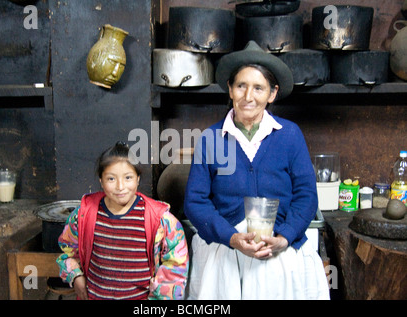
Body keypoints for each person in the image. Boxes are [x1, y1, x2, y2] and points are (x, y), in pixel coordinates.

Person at [184, 41, 329, 300]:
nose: (248, 96)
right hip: (226, 252)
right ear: (230, 89)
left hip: (280, 251)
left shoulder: (290, 135)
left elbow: (306, 196)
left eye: (259, 88)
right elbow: (195, 202)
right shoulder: (211, 139)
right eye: (241, 86)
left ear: (272, 94)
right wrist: (232, 238)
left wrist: (285, 237)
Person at [56, 141, 189, 300]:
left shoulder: (160, 220)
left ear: (138, 179)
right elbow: (68, 251)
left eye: (128, 177)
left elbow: (176, 265)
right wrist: (75, 275)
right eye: (111, 179)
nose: (120, 186)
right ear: (101, 180)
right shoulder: (84, 215)